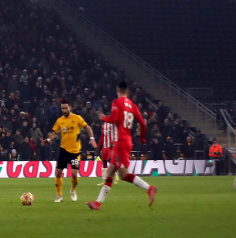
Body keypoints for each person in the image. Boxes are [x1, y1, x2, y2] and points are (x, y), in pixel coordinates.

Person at [87, 81, 155, 210]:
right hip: (127, 140)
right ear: (127, 91)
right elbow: (143, 124)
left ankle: (149, 188)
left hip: (120, 143)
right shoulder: (133, 106)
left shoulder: (116, 102)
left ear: (117, 90)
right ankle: (98, 202)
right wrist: (142, 138)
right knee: (110, 173)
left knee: (123, 175)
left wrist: (103, 118)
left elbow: (113, 119)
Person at [45, 99, 95, 203]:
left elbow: (87, 127)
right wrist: (49, 139)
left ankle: (73, 190)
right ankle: (59, 196)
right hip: (63, 151)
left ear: (70, 108)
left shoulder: (77, 118)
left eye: (66, 108)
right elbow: (54, 132)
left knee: (74, 174)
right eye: (62, 108)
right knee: (58, 172)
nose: (64, 109)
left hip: (75, 152)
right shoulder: (60, 120)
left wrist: (92, 138)